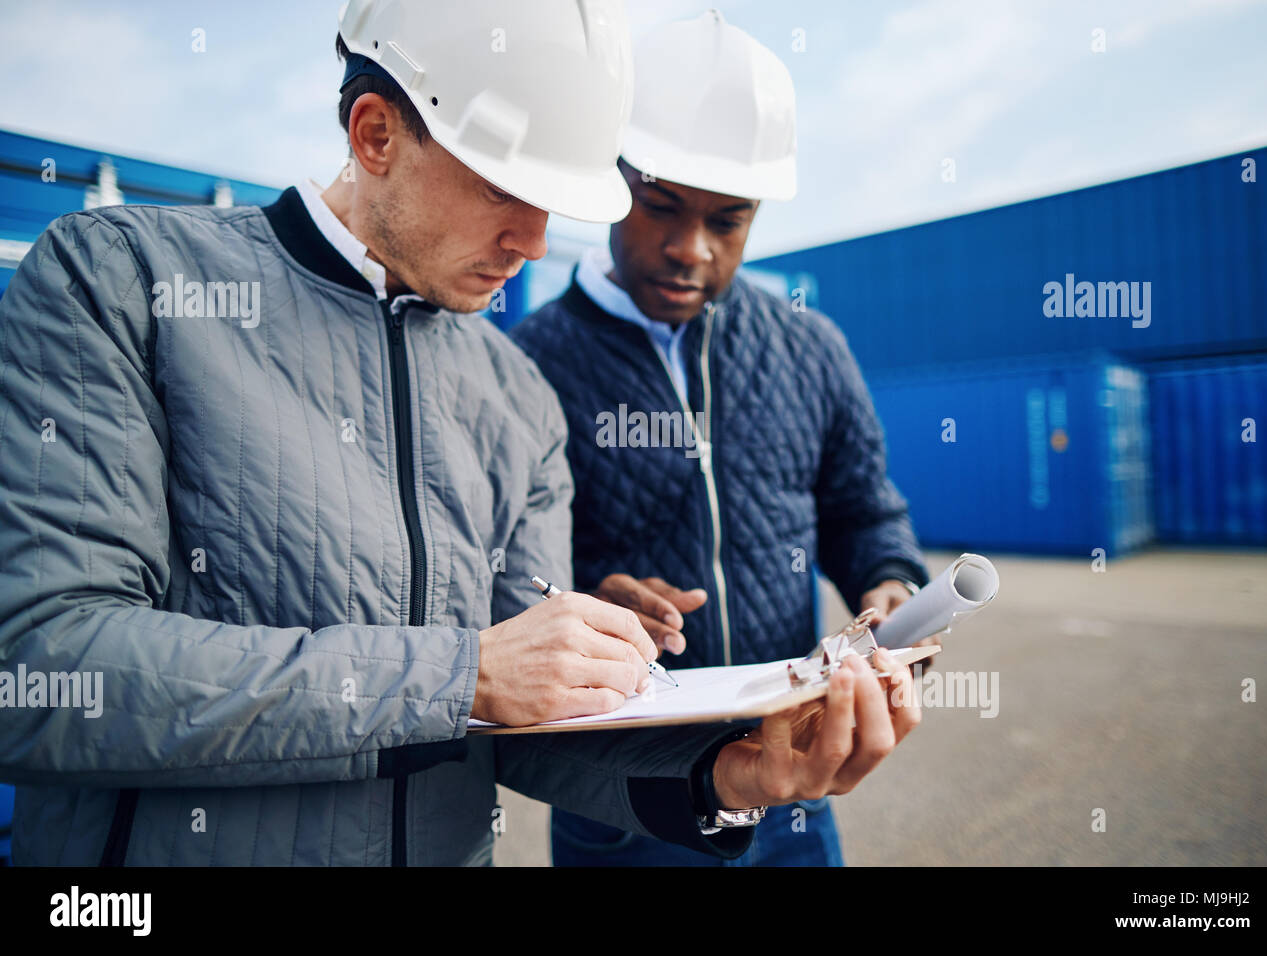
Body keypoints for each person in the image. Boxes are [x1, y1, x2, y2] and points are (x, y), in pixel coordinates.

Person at [0, 0, 919, 866]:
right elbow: (38, 668)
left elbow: (528, 722)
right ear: (376, 134)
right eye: (504, 187)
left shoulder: (514, 389)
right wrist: (458, 675)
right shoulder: (121, 285)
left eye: (558, 199)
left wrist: (725, 776)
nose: (533, 238)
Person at [511, 10, 932, 867]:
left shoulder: (810, 348)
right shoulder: (525, 366)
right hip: (625, 798)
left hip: (793, 788)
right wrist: (587, 604)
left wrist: (889, 591)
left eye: (727, 222)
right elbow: (498, 580)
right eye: (659, 206)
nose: (689, 250)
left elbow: (864, 515)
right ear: (609, 176)